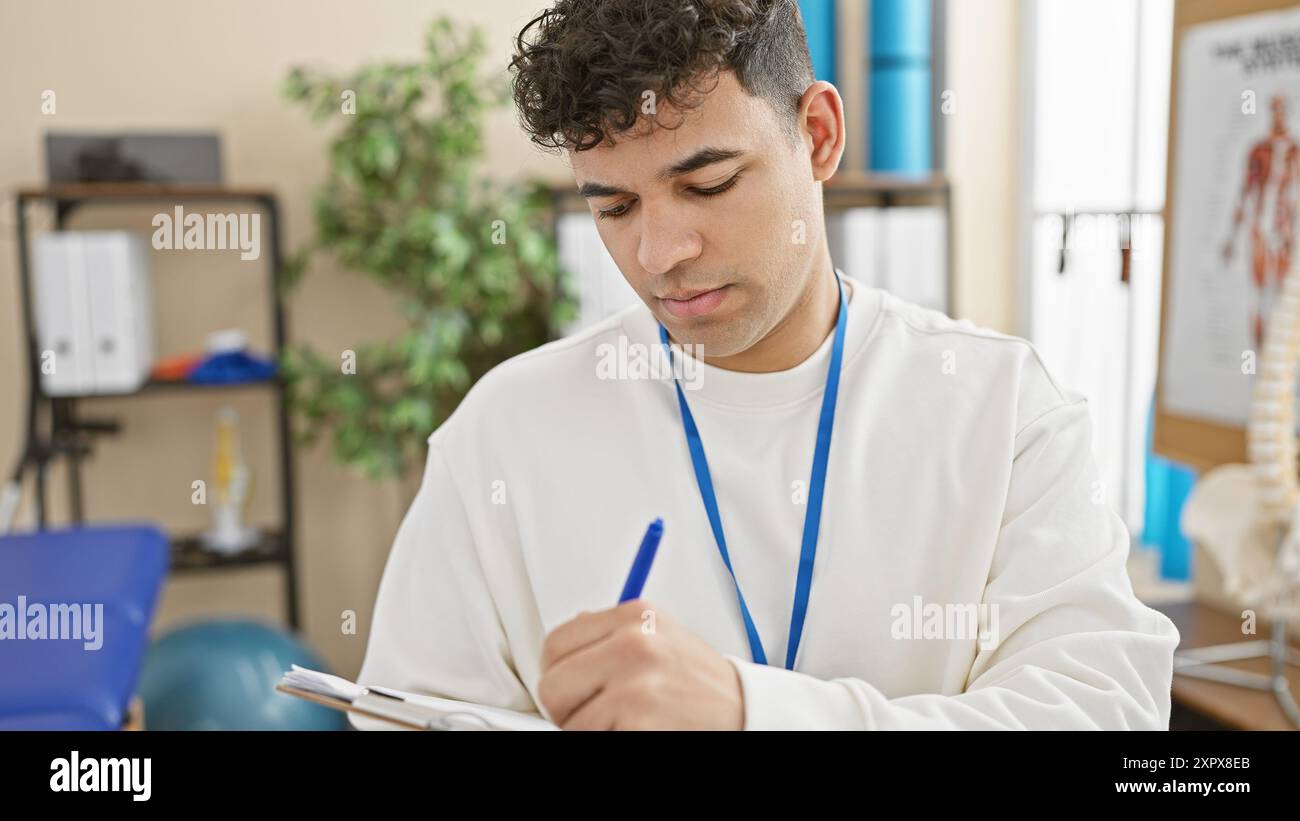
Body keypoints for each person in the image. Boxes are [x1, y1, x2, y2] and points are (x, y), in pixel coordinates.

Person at [355, 0, 1179, 730]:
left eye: (708, 184)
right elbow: (407, 710)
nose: (659, 253)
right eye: (613, 205)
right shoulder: (504, 429)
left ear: (817, 135)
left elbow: (1107, 710)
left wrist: (748, 712)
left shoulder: (1002, 410)